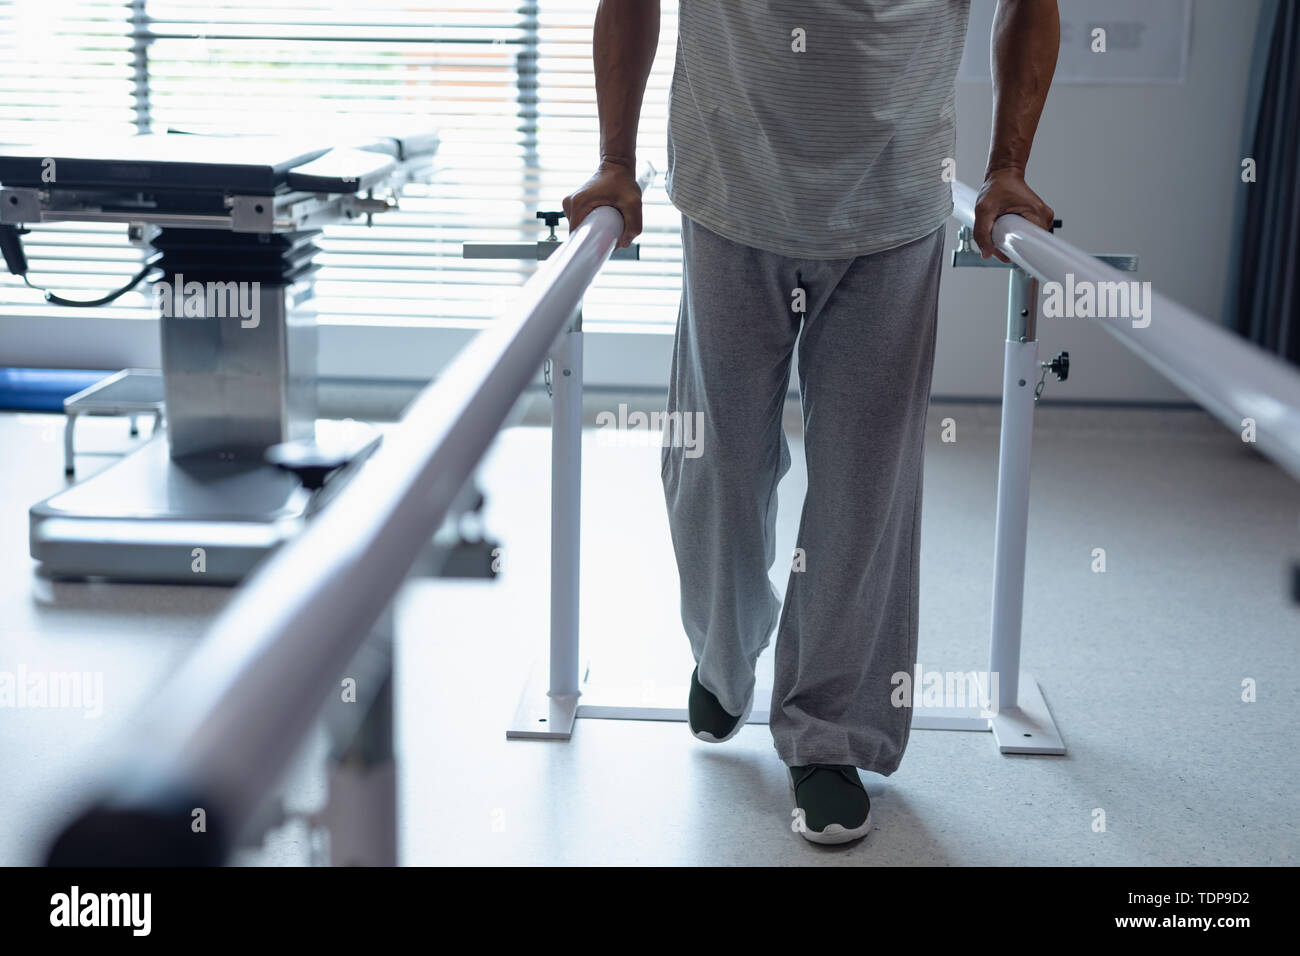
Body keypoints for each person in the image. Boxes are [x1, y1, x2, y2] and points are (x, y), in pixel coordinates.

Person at [564, 0, 1058, 845]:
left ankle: (828, 734)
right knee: (717, 464)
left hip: (894, 206)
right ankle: (724, 657)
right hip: (731, 192)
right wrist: (616, 160)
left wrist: (1007, 166)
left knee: (866, 487)